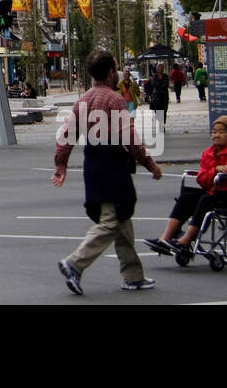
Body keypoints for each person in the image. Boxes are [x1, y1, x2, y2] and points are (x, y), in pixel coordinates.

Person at [53, 50, 162, 294]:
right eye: (116, 67)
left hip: (93, 164)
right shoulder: (114, 100)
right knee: (111, 221)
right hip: (113, 165)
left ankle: (133, 275)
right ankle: (74, 263)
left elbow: (66, 135)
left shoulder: (83, 100)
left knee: (121, 219)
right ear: (111, 72)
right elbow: (131, 140)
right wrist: (150, 164)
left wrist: (61, 164)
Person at [144, 116, 227, 255]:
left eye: (221, 132)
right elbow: (202, 180)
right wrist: (214, 170)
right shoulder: (208, 153)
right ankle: (164, 239)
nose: (216, 135)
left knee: (206, 200)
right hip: (216, 192)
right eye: (214, 132)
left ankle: (185, 241)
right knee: (186, 197)